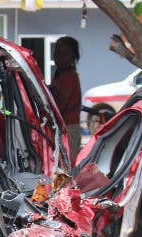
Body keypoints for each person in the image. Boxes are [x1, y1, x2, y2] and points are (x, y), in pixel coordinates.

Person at [50, 36, 82, 164]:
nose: (59, 56)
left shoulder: (69, 77)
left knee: (66, 169)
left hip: (68, 130)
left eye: (65, 53)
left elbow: (58, 107)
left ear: (73, 57)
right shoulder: (59, 75)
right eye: (57, 52)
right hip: (63, 129)